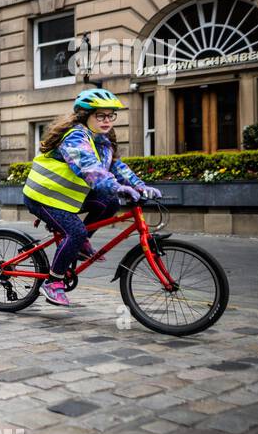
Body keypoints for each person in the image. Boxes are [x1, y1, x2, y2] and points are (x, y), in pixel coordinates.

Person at [21, 88, 161, 307]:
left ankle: (80, 242)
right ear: (86, 116)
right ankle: (53, 282)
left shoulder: (103, 140)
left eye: (110, 115)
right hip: (44, 197)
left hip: (65, 197)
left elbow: (117, 166)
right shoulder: (76, 136)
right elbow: (88, 167)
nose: (107, 120)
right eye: (101, 115)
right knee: (75, 231)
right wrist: (116, 186)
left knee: (110, 202)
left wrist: (139, 186)